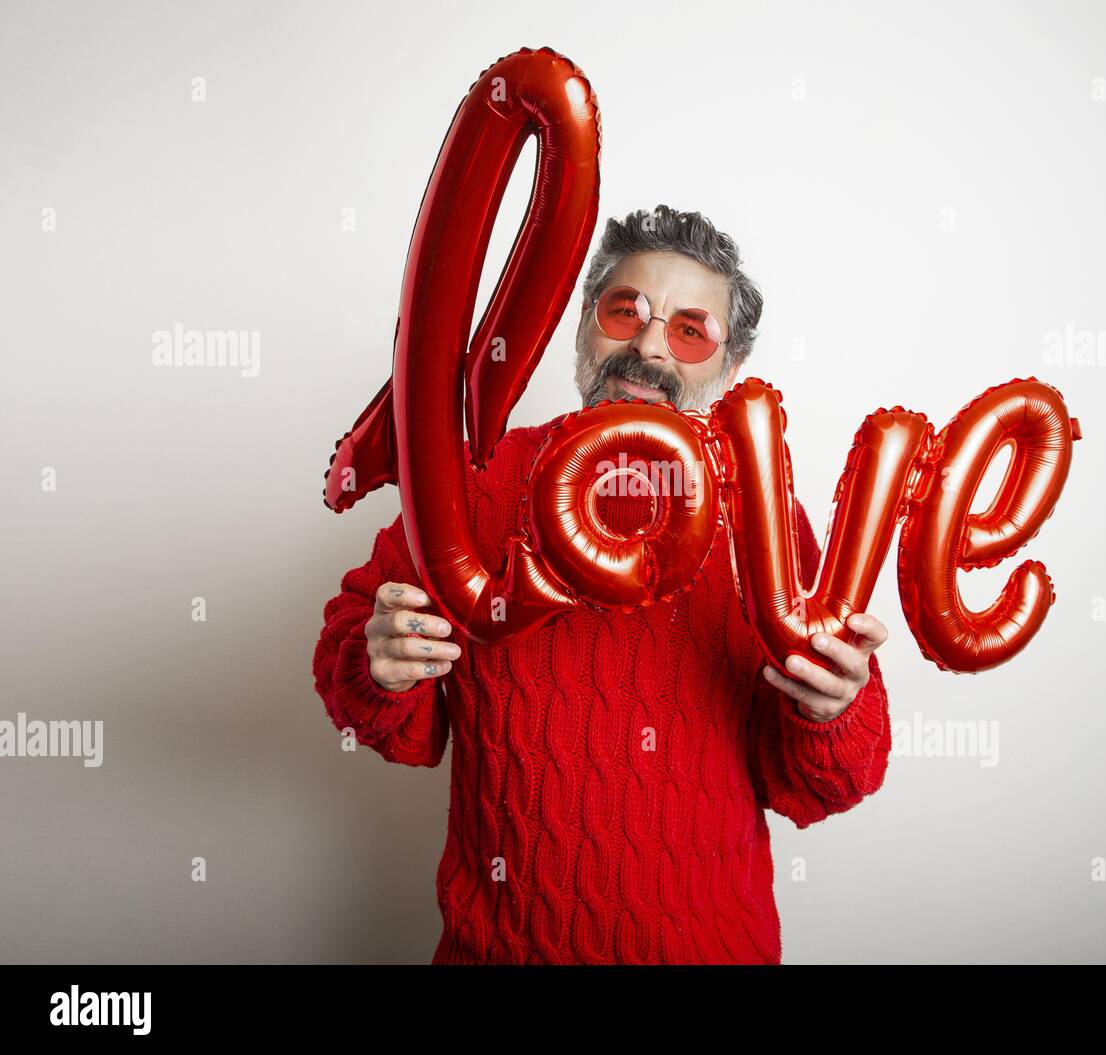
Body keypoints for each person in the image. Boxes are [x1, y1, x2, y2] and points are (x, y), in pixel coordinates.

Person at [312, 204, 892, 965]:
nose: (649, 345)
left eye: (689, 329)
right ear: (584, 325)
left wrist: (833, 709)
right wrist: (378, 659)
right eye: (627, 311)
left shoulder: (764, 517)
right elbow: (368, 691)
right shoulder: (475, 480)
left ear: (728, 367)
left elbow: (824, 782)